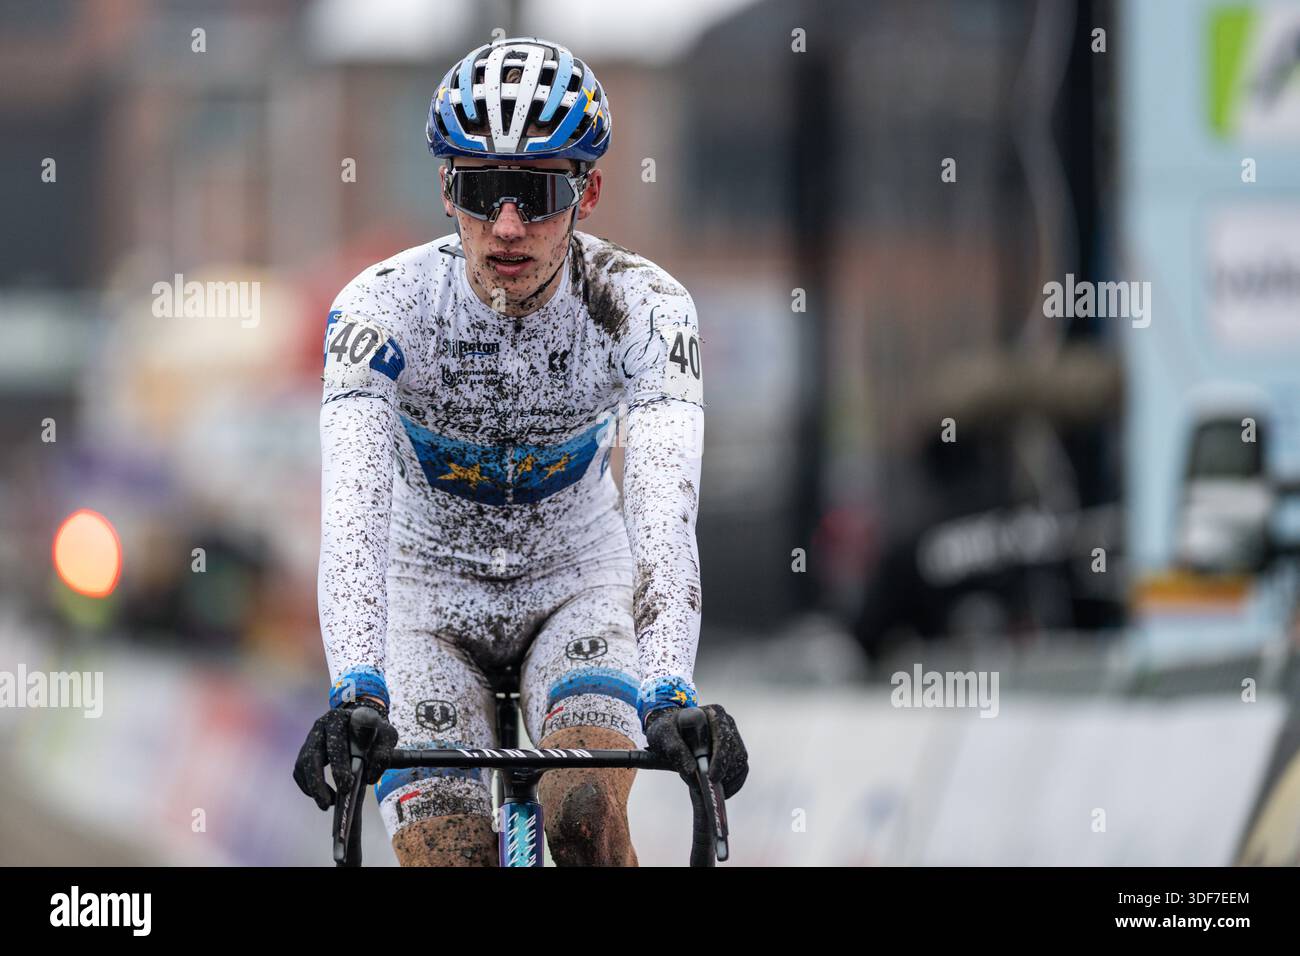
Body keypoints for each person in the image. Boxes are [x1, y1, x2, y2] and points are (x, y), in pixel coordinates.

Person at [293, 36, 747, 865]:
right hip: (424, 597)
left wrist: (671, 687)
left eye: (535, 194)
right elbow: (353, 513)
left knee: (582, 813)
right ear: (445, 189)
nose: (507, 226)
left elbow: (662, 507)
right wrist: (355, 686)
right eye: (482, 190)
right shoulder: (383, 308)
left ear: (589, 191)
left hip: (577, 580)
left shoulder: (642, 307)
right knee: (449, 854)